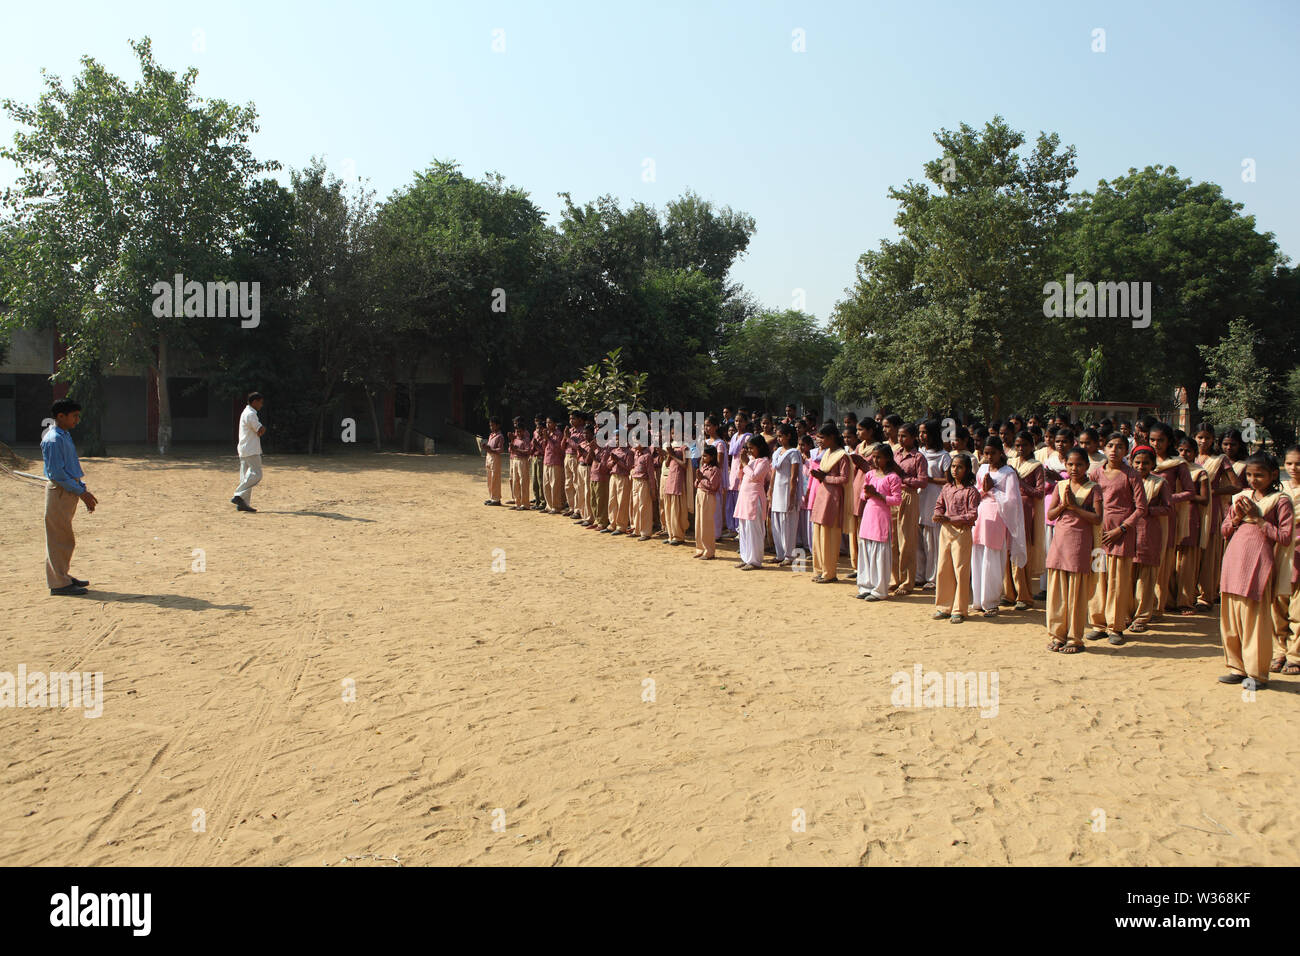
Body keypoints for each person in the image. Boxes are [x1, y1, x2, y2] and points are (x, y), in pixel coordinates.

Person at [1219, 452, 1292, 691]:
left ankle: (1257, 673)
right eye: (1250, 475)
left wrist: (1259, 520)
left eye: (1259, 475)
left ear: (1273, 475)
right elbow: (1225, 529)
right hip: (1234, 558)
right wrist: (1238, 517)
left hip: (1259, 560)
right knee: (1230, 615)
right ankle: (1236, 667)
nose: (1253, 479)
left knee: (1255, 618)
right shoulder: (1242, 497)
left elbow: (1285, 536)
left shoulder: (1280, 500)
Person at [1085, 433, 1148, 645]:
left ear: (1126, 450)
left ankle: (1116, 627)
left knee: (1118, 581)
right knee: (1098, 578)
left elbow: (1141, 508)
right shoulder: (1095, 474)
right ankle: (1098, 623)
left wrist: (1122, 528)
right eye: (1110, 445)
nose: (1114, 450)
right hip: (1098, 533)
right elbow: (1087, 498)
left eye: (1119, 446)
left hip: (1122, 533)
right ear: (1104, 447)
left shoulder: (1132, 475)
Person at [1045, 447, 1102, 653]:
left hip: (1080, 542)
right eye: (1070, 464)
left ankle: (1074, 638)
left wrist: (1074, 507)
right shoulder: (1060, 486)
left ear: (1087, 466)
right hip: (1060, 541)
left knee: (1076, 593)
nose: (1074, 468)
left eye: (1079, 464)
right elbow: (1051, 515)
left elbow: (1097, 518)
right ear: (1065, 466)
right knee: (1057, 592)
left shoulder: (1094, 488)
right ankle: (1057, 635)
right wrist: (1063, 506)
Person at [41, 398, 98, 596]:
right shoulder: (54, 439)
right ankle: (59, 584)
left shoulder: (64, 435)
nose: (77, 420)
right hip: (60, 492)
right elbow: (57, 473)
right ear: (60, 416)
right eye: (74, 416)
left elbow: (70, 468)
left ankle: (62, 576)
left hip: (69, 490)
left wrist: (81, 488)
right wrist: (81, 492)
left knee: (64, 537)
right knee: (59, 538)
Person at [972, 437, 1027, 617]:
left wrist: (992, 489)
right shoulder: (981, 469)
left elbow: (1012, 500)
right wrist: (984, 489)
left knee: (993, 558)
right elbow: (976, 490)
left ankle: (992, 601)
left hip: (997, 515)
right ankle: (979, 600)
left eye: (992, 453)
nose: (989, 457)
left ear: (1000, 452)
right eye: (986, 453)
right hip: (980, 515)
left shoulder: (1008, 473)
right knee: (978, 555)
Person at [1129, 446, 1171, 633]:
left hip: (1149, 531)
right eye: (1137, 462)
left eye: (1146, 463)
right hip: (1128, 530)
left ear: (1153, 464)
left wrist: (1148, 510)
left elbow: (1168, 508)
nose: (1141, 466)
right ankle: (1127, 612)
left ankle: (1142, 616)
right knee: (1127, 574)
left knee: (1146, 576)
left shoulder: (1160, 483)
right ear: (1131, 462)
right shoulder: (1126, 480)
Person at [932, 453, 978, 622]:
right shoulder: (947, 488)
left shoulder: (971, 491)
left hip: (962, 531)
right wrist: (938, 514)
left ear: (967, 470)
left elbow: (972, 514)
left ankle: (959, 609)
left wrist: (950, 518)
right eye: (953, 466)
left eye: (959, 467)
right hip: (945, 530)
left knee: (961, 569)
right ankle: (944, 606)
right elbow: (939, 504)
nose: (955, 470)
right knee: (944, 568)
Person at [855, 443, 902, 601]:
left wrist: (878, 494)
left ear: (888, 458)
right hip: (869, 513)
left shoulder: (893, 477)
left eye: (878, 457)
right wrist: (868, 494)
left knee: (880, 552)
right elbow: (863, 495)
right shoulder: (870, 474)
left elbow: (896, 500)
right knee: (866, 549)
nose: (875, 460)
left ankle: (879, 589)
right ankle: (865, 585)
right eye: (873, 457)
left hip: (882, 515)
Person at [810, 423, 851, 583]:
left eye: (822, 437)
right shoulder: (827, 453)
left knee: (829, 535)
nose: (819, 440)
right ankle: (819, 570)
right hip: (822, 494)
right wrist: (821, 476)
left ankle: (830, 573)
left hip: (833, 497)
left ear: (832, 437)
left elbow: (844, 478)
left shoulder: (842, 455)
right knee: (818, 534)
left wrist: (824, 478)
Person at [1274, 446, 1300, 675]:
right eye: (1290, 463)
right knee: (1278, 603)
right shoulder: (1280, 491)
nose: (1294, 468)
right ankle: (1279, 650)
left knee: (1298, 609)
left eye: (1298, 463)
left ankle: (1295, 655)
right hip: (1281, 553)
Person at [916, 420, 951, 590]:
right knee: (919, 540)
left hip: (934, 498)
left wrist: (929, 480)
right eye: (920, 432)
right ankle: (919, 574)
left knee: (932, 542)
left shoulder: (944, 455)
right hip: (919, 498)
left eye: (925, 432)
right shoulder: (919, 453)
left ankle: (933, 577)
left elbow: (949, 480)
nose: (922, 436)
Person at [735, 435, 773, 570]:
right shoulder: (751, 460)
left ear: (760, 447)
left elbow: (755, 477)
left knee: (754, 529)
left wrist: (745, 464)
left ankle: (755, 560)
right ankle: (746, 558)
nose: (749, 451)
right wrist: (743, 463)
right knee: (744, 529)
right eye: (748, 448)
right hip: (744, 497)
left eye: (752, 448)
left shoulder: (764, 461)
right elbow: (742, 476)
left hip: (754, 498)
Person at [770, 424, 802, 566]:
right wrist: (770, 490)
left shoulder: (794, 452)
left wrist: (792, 495)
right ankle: (780, 553)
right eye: (777, 436)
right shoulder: (777, 452)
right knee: (776, 522)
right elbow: (773, 473)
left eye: (781, 435)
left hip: (787, 490)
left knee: (787, 523)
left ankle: (789, 555)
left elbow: (793, 476)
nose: (779, 438)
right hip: (777, 490)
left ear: (788, 436)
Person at [231, 392, 267, 513]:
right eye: (260, 402)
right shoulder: (251, 414)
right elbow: (260, 429)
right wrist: (263, 429)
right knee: (257, 474)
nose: (261, 405)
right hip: (251, 449)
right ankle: (238, 494)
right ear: (254, 402)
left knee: (246, 476)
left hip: (244, 448)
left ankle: (243, 503)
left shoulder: (246, 412)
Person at [693, 445, 721, 559]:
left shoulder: (715, 470)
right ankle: (700, 548)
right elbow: (697, 483)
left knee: (706, 524)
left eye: (705, 455)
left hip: (708, 496)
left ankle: (709, 551)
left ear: (712, 457)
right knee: (698, 522)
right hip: (699, 494)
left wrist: (701, 479)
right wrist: (698, 479)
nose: (703, 458)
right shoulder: (704, 467)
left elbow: (713, 486)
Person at [482, 416, 505, 505]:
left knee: (495, 478)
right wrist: (486, 448)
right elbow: (489, 447)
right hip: (489, 457)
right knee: (489, 478)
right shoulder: (491, 435)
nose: (491, 427)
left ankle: (496, 499)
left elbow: (501, 450)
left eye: (493, 425)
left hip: (495, 457)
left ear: (498, 425)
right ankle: (492, 497)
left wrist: (491, 449)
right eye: (490, 425)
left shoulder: (500, 436)